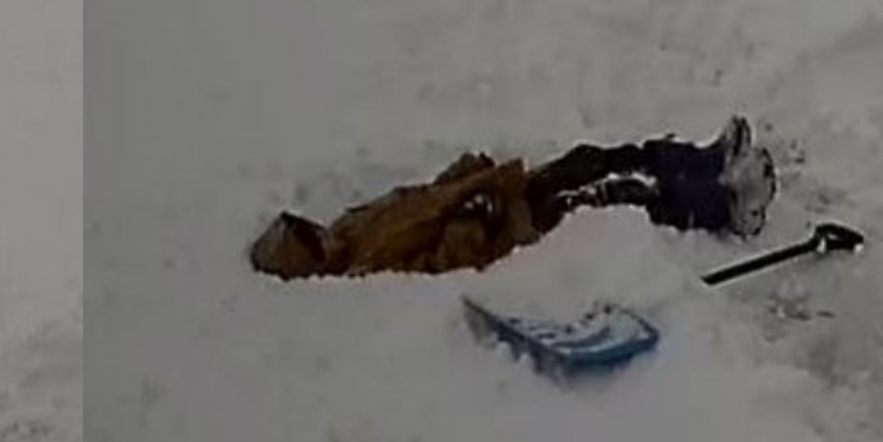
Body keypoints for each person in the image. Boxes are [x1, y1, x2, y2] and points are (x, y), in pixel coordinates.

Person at [249, 116, 777, 280]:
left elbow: (421, 200)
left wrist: (464, 176)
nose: (317, 232)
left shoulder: (352, 224)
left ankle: (703, 162)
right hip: (505, 232)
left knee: (587, 158)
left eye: (304, 227)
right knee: (613, 194)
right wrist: (475, 219)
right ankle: (725, 205)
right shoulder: (363, 264)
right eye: (308, 242)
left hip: (496, 195)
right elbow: (436, 264)